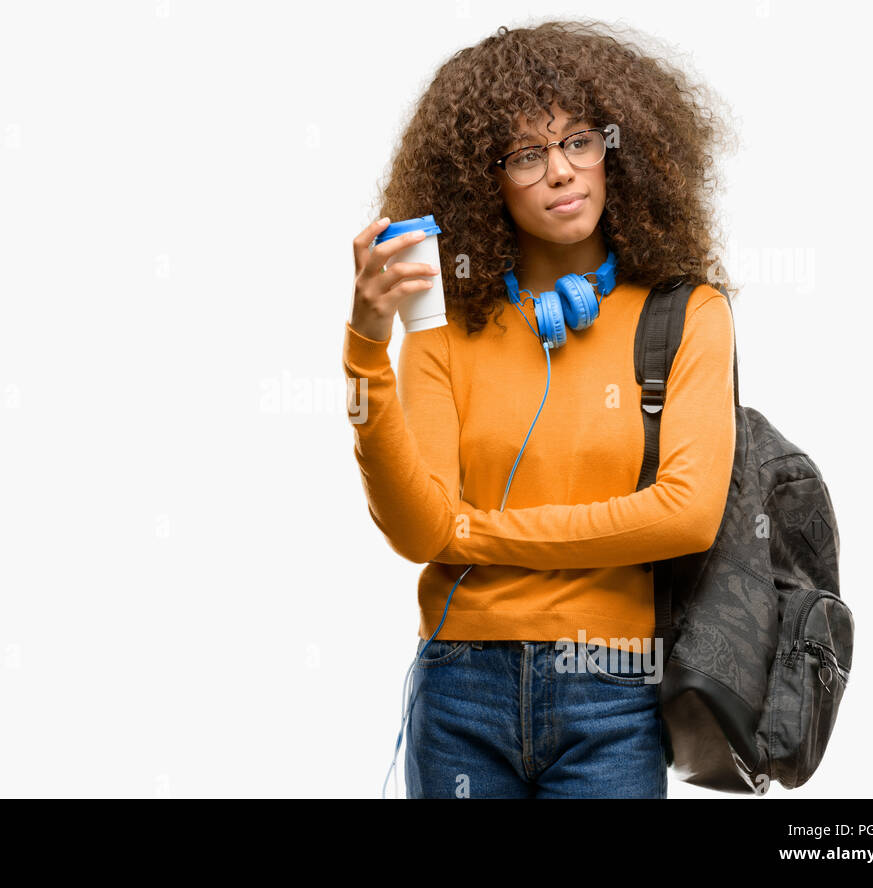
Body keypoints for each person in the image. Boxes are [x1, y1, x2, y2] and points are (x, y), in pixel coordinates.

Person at [343, 20, 738, 798]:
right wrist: (365, 345)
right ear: (481, 179)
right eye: (527, 155)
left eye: (580, 142)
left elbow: (687, 515)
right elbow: (420, 530)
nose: (561, 171)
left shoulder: (687, 314)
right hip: (461, 689)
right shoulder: (443, 324)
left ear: (616, 150)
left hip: (614, 689)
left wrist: (478, 532)